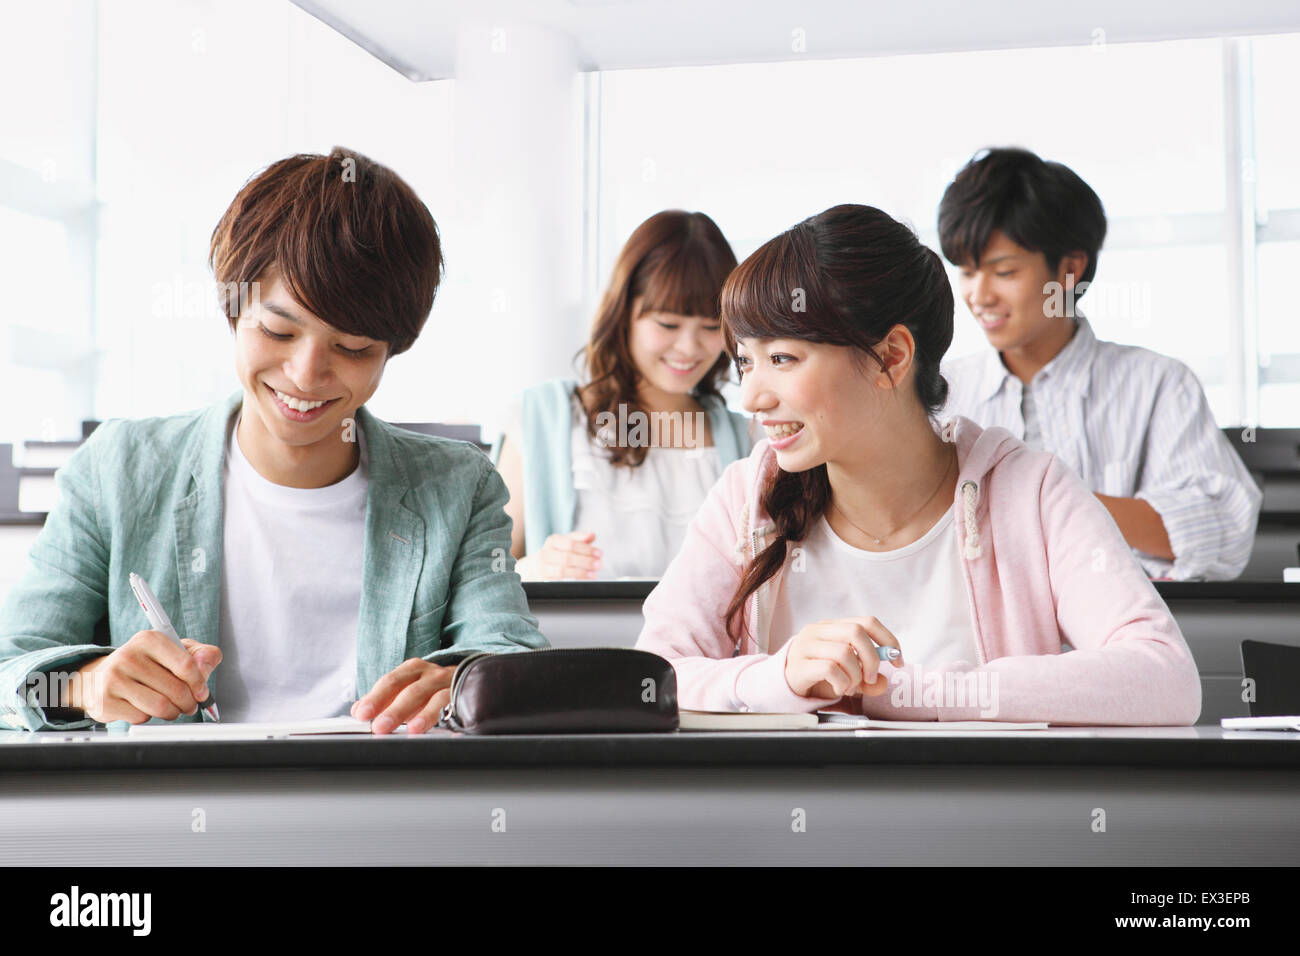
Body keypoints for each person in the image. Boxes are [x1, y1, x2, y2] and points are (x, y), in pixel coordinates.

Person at [0, 147, 546, 734]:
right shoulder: (120, 469)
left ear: (393, 348)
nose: (306, 374)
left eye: (353, 348)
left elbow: (513, 655)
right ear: (235, 311)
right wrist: (84, 685)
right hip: (170, 813)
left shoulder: (456, 487)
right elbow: (11, 667)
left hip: (383, 811)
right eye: (279, 329)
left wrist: (466, 683)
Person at [635, 203, 1201, 725]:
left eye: (782, 358)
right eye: (745, 363)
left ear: (891, 357)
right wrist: (777, 677)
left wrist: (919, 694)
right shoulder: (746, 497)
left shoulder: (1032, 492)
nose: (752, 398)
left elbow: (1165, 678)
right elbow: (650, 677)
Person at [937, 146, 1261, 581]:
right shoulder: (943, 392)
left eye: (1004, 271)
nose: (980, 295)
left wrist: (1049, 500)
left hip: (1121, 640)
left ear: (1070, 269)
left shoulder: (1157, 384)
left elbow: (1219, 526)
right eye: (968, 271)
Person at [494, 210, 756, 580]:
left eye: (711, 327)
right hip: (578, 640)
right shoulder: (543, 421)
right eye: (668, 324)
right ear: (623, 313)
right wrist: (535, 568)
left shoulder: (746, 443)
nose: (689, 347)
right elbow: (483, 578)